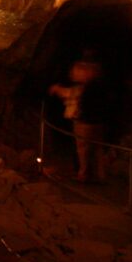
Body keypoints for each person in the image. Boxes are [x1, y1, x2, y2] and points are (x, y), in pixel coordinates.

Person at [49, 51, 107, 183]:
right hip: (98, 121)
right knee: (98, 148)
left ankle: (83, 174)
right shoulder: (99, 84)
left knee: (83, 149)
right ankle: (100, 174)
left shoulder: (83, 87)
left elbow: (69, 94)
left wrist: (57, 89)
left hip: (84, 121)